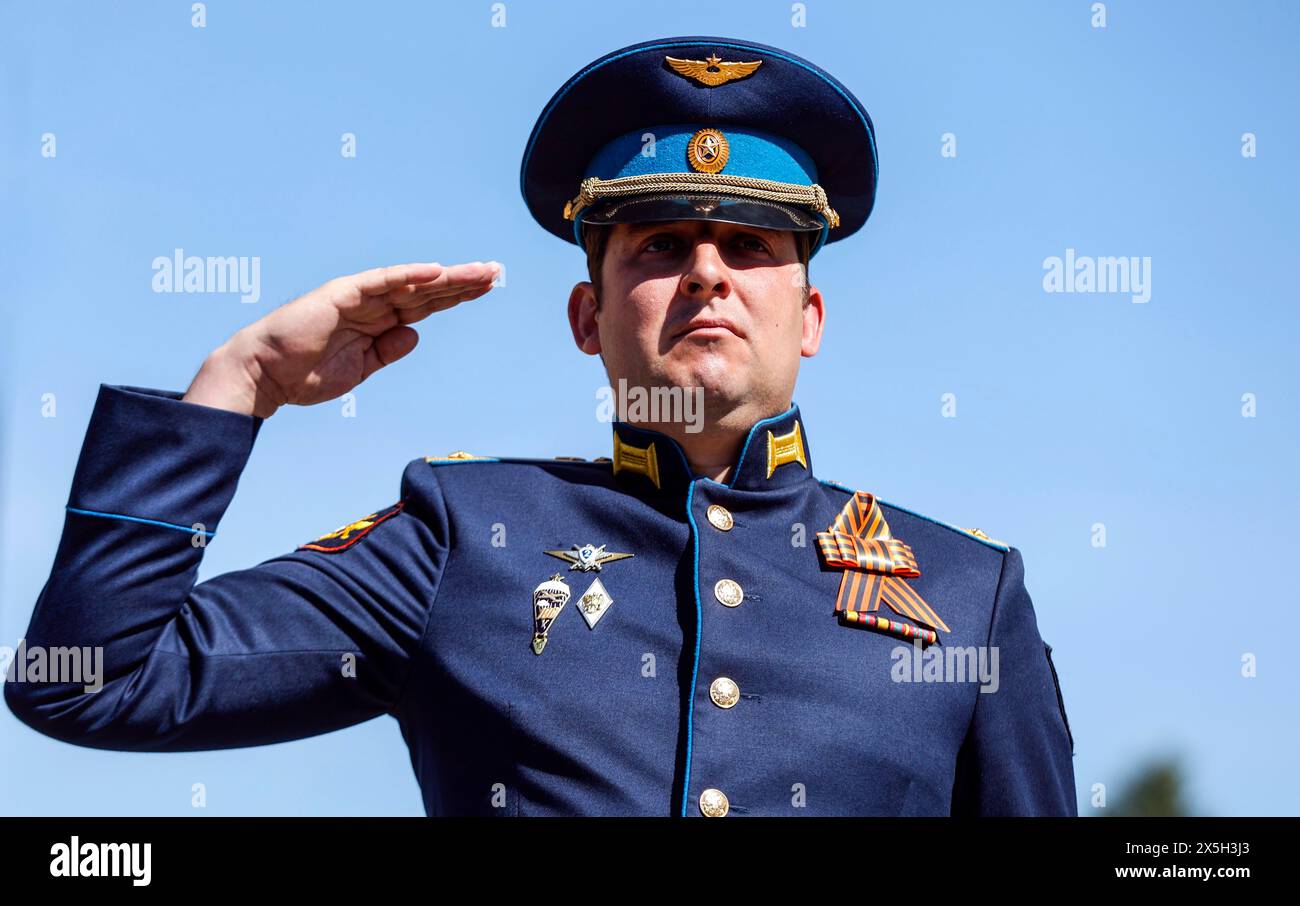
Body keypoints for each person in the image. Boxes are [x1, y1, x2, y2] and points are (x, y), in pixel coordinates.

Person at [4, 35, 1076, 817]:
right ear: (586, 317)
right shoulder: (463, 538)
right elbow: (86, 681)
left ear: (810, 318)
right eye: (657, 247)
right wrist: (237, 385)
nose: (706, 272)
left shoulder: (964, 598)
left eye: (748, 249)